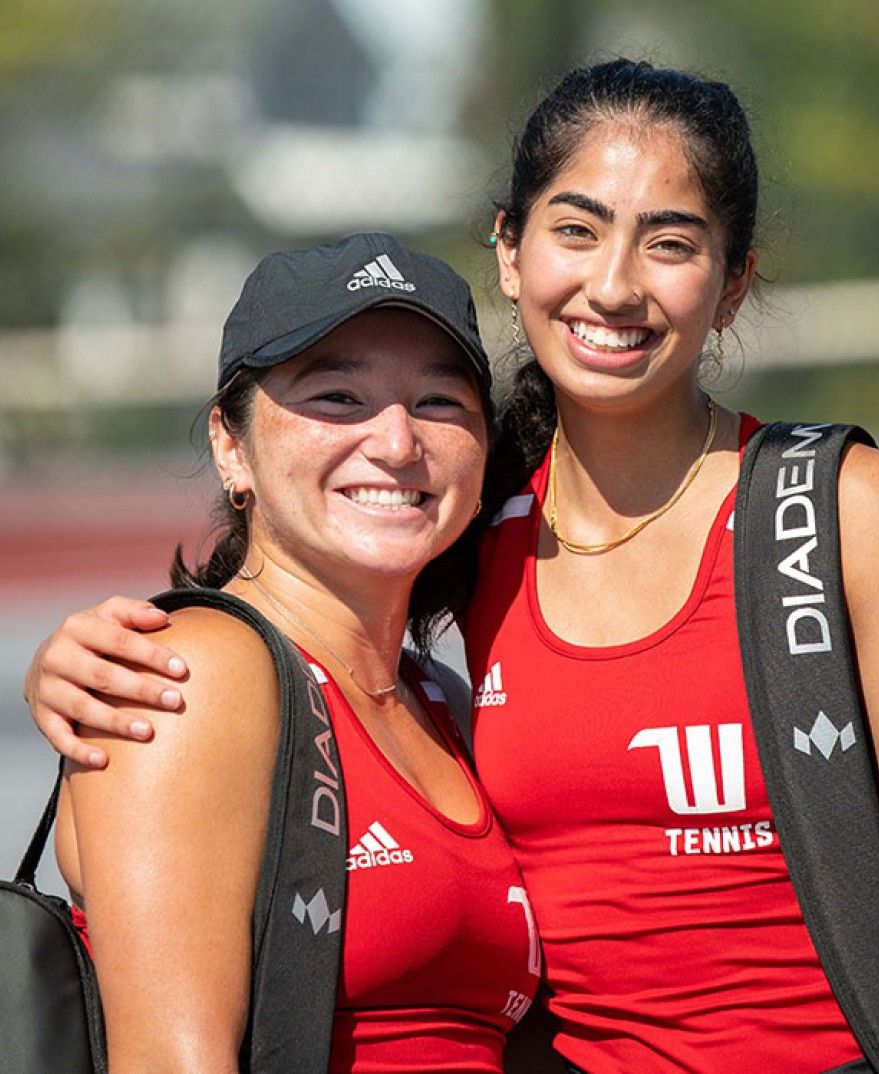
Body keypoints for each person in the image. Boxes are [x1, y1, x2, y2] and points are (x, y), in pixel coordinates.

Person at [25, 61, 879, 1074]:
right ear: (509, 248)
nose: (614, 284)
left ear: (733, 283)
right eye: (575, 230)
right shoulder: (468, 532)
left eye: (668, 243)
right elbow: (272, 644)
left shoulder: (841, 512)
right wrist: (88, 663)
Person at [42, 232, 542, 1073]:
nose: (396, 443)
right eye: (339, 397)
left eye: (439, 402)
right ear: (230, 445)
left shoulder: (441, 700)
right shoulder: (191, 677)